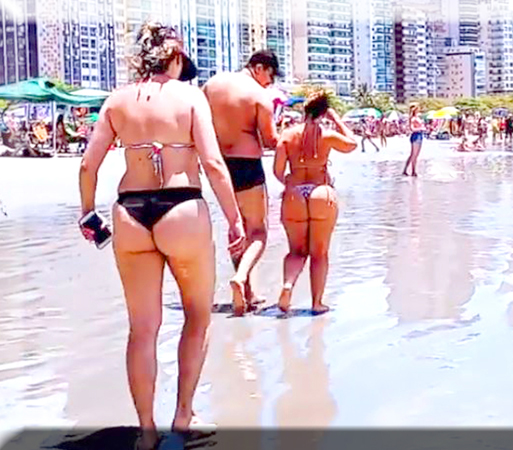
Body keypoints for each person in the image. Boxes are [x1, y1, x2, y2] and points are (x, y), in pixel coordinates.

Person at [78, 22, 245, 449]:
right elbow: (213, 163)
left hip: (130, 214)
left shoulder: (116, 101)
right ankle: (183, 418)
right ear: (175, 59)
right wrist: (234, 219)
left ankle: (146, 432)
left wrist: (87, 212)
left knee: (142, 328)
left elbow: (88, 166)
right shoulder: (191, 97)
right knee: (198, 315)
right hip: (182, 209)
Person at [202, 49, 281, 315]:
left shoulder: (212, 85)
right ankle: (241, 278)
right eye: (269, 75)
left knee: (237, 228)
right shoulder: (259, 95)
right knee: (258, 230)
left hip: (219, 166)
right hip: (247, 165)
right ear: (259, 67)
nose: (270, 83)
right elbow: (271, 140)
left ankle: (248, 293)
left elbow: (197, 123)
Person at [272, 92, 357, 314]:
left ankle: (288, 285)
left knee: (296, 251)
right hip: (321, 193)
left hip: (295, 195)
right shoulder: (326, 135)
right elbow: (352, 144)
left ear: (304, 110)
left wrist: (290, 183)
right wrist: (337, 118)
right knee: (319, 253)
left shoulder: (287, 136)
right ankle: (317, 303)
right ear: (323, 112)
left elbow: (277, 171)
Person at [403, 103, 425, 177]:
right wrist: (420, 128)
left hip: (420, 135)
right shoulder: (412, 119)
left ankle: (406, 170)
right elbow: (412, 128)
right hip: (416, 135)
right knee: (414, 155)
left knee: (414, 155)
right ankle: (413, 171)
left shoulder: (417, 117)